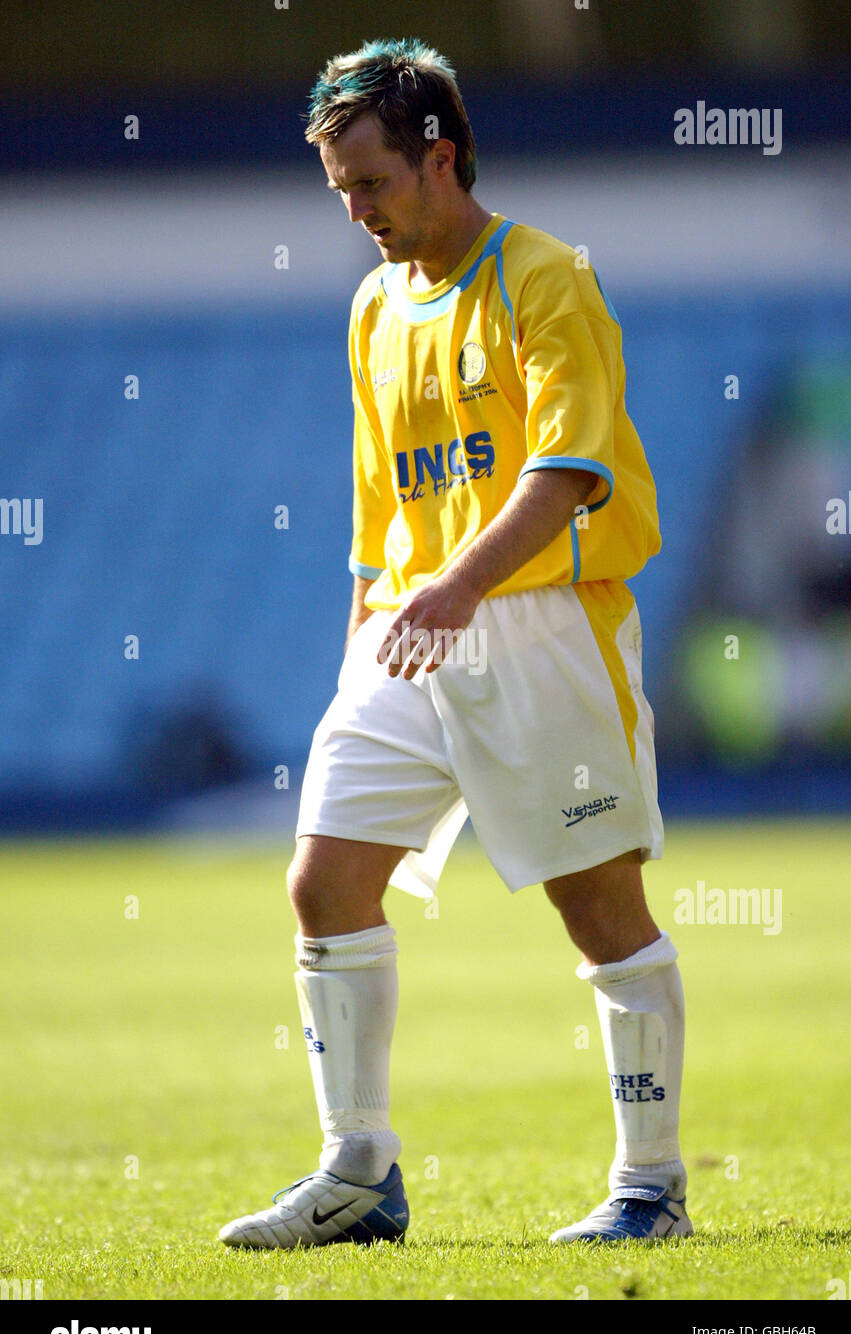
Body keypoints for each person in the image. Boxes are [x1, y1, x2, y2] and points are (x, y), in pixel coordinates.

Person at [219, 37, 690, 1250]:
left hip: (541, 627)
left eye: (370, 184)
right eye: (339, 193)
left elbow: (566, 470)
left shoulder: (544, 277)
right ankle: (357, 1172)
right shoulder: (373, 308)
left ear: (439, 157)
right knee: (322, 880)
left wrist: (457, 587)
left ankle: (649, 1185)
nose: (356, 214)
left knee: (599, 909)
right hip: (407, 628)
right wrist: (364, 640)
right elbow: (377, 506)